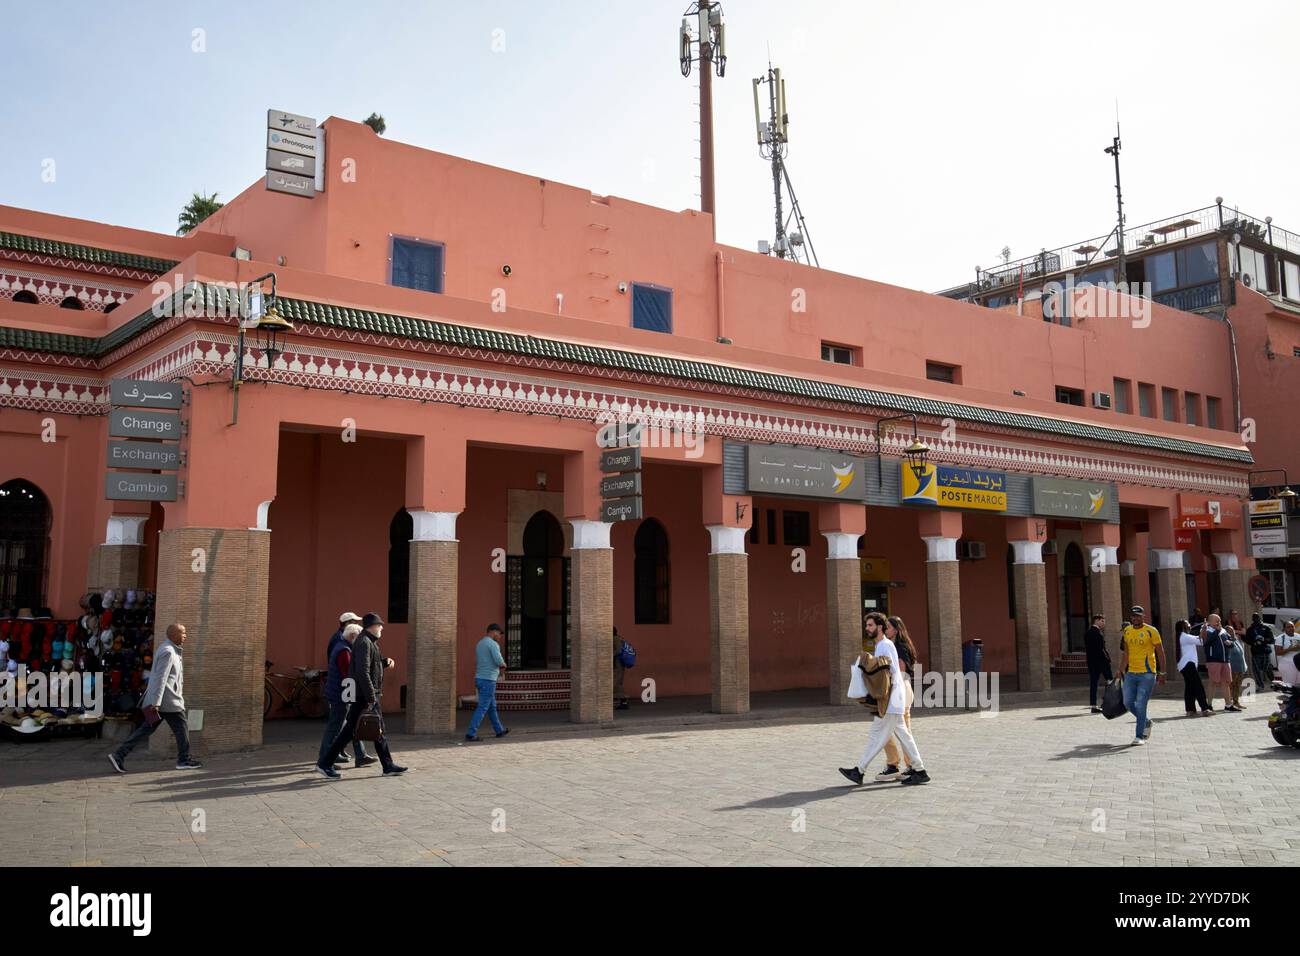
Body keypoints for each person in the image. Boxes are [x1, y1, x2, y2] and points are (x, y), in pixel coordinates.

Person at [838, 613, 930, 786]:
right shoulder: (884, 644)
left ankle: (859, 770)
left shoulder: (883, 646)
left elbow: (884, 675)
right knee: (902, 735)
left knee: (878, 736)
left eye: (870, 625)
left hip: (891, 699)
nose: (867, 628)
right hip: (894, 698)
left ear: (879, 627)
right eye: (867, 625)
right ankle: (920, 770)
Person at [316, 613, 406, 777]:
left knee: (376, 730)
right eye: (379, 625)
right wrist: (371, 697)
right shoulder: (364, 642)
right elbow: (362, 672)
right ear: (372, 626)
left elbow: (372, 665)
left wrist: (384, 662)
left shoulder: (369, 642)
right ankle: (325, 763)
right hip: (364, 695)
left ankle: (387, 765)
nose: (382, 628)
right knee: (351, 731)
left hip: (366, 694)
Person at [108, 623, 201, 773]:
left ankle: (119, 755)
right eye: (183, 633)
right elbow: (160, 678)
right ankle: (184, 760)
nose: (185, 635)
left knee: (146, 729)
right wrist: (156, 702)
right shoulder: (168, 652)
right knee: (181, 728)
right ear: (173, 634)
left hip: (162, 702)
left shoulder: (168, 649)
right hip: (167, 702)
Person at [321, 612, 373, 767]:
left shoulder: (343, 643)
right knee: (338, 726)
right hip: (342, 692)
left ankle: (354, 754)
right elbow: (347, 673)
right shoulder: (343, 648)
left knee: (349, 723)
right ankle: (325, 758)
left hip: (342, 691)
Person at [879, 616, 919, 782]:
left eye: (887, 627)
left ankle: (894, 765)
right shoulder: (900, 645)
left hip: (899, 691)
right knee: (902, 731)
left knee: (887, 729)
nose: (885, 629)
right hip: (904, 690)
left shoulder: (899, 647)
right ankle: (908, 765)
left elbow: (901, 671)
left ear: (896, 629)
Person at [1119, 606, 1165, 745]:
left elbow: (1160, 652)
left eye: (1138, 616)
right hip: (1131, 673)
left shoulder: (1151, 631)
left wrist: (1162, 672)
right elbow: (1126, 653)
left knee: (1140, 704)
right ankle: (1145, 721)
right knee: (1127, 702)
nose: (1135, 618)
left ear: (1143, 616)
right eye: (1133, 616)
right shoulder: (1127, 631)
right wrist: (1120, 669)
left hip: (1148, 673)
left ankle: (1140, 736)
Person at [466, 623, 509, 741]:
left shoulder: (480, 643)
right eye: (499, 634)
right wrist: (503, 665)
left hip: (479, 678)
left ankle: (499, 730)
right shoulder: (493, 644)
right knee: (483, 707)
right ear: (493, 631)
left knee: (492, 707)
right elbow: (498, 660)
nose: (500, 636)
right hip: (488, 680)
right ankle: (471, 733)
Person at [1175, 619, 1210, 717]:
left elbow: (1200, 639)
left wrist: (1203, 630)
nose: (1190, 625)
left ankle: (1190, 709)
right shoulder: (1185, 636)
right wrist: (1203, 629)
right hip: (1188, 664)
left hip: (1184, 665)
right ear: (1183, 627)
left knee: (1190, 687)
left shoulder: (1183, 636)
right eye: (1188, 624)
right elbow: (1201, 641)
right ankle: (1205, 708)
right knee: (1198, 686)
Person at [1201, 613, 1235, 712]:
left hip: (1225, 660)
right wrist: (1217, 631)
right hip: (1214, 660)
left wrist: (1230, 643)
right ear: (1210, 622)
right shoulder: (1207, 630)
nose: (1219, 623)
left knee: (1226, 683)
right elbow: (1207, 642)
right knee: (1213, 682)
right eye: (1216, 621)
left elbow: (1231, 641)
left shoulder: (1223, 631)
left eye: (1219, 620)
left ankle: (1228, 705)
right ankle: (1209, 705)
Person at [1084, 614, 1112, 714]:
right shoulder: (1097, 633)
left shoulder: (1087, 633)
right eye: (1102, 621)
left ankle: (1093, 705)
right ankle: (1108, 702)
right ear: (1097, 621)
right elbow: (1101, 649)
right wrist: (1108, 659)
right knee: (1110, 682)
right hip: (1101, 662)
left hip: (1091, 662)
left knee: (1093, 684)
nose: (1104, 623)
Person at [1244, 613, 1276, 688]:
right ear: (1252, 619)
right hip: (1256, 652)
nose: (1256, 619)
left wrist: (1263, 639)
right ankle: (1260, 685)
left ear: (1260, 618)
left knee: (1268, 668)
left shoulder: (1266, 628)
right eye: (1254, 618)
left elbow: (1272, 640)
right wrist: (1254, 642)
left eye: (1257, 618)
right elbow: (1247, 640)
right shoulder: (1250, 629)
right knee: (1256, 670)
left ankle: (1273, 682)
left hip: (1265, 652)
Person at [1225, 627, 1248, 710]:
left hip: (1240, 666)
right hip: (1233, 667)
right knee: (1232, 685)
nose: (1232, 632)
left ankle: (1236, 702)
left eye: (1232, 630)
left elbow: (1242, 653)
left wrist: (1244, 665)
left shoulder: (1237, 640)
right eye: (1230, 631)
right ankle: (1229, 702)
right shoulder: (1227, 641)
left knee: (1237, 685)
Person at [1278, 620, 1300, 685]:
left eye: (1292, 626)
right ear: (1284, 629)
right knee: (1289, 684)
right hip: (1287, 664)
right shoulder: (1280, 638)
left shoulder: (1299, 636)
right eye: (1288, 627)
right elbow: (1278, 652)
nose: (1291, 628)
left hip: (1298, 663)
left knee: (1298, 684)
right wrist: (1290, 649)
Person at [612, 626, 629, 711]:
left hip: (618, 665)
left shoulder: (615, 639)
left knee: (616, 683)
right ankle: (623, 702)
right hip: (617, 665)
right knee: (617, 683)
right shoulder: (616, 638)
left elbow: (618, 651)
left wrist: (610, 654)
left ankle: (624, 701)